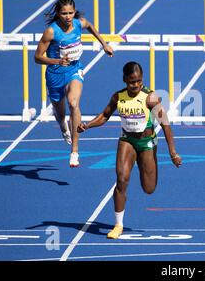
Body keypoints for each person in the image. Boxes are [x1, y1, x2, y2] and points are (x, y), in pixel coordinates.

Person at [77, 61, 182, 239]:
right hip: (127, 140)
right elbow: (104, 115)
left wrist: (173, 153)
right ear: (125, 79)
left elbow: (165, 124)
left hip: (147, 143)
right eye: (132, 81)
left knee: (149, 188)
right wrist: (88, 126)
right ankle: (118, 225)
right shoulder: (118, 97)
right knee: (122, 179)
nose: (136, 85)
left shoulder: (151, 98)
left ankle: (147, 163)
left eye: (139, 81)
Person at [34, 0, 114, 167]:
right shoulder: (51, 32)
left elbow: (90, 26)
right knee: (60, 111)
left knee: (74, 103)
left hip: (74, 70)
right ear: (58, 13)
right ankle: (63, 126)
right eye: (64, 13)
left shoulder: (79, 23)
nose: (68, 16)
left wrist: (104, 44)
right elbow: (37, 58)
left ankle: (75, 151)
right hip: (55, 74)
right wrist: (57, 61)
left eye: (71, 13)